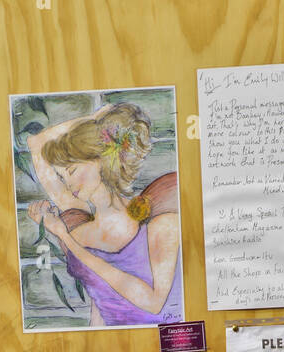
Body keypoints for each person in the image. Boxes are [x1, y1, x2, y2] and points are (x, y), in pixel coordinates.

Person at [26, 101, 182, 328]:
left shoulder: (159, 220)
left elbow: (154, 303)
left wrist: (64, 236)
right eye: (62, 177)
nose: (67, 184)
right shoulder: (79, 225)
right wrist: (94, 121)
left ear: (99, 161)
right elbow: (36, 143)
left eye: (71, 171)